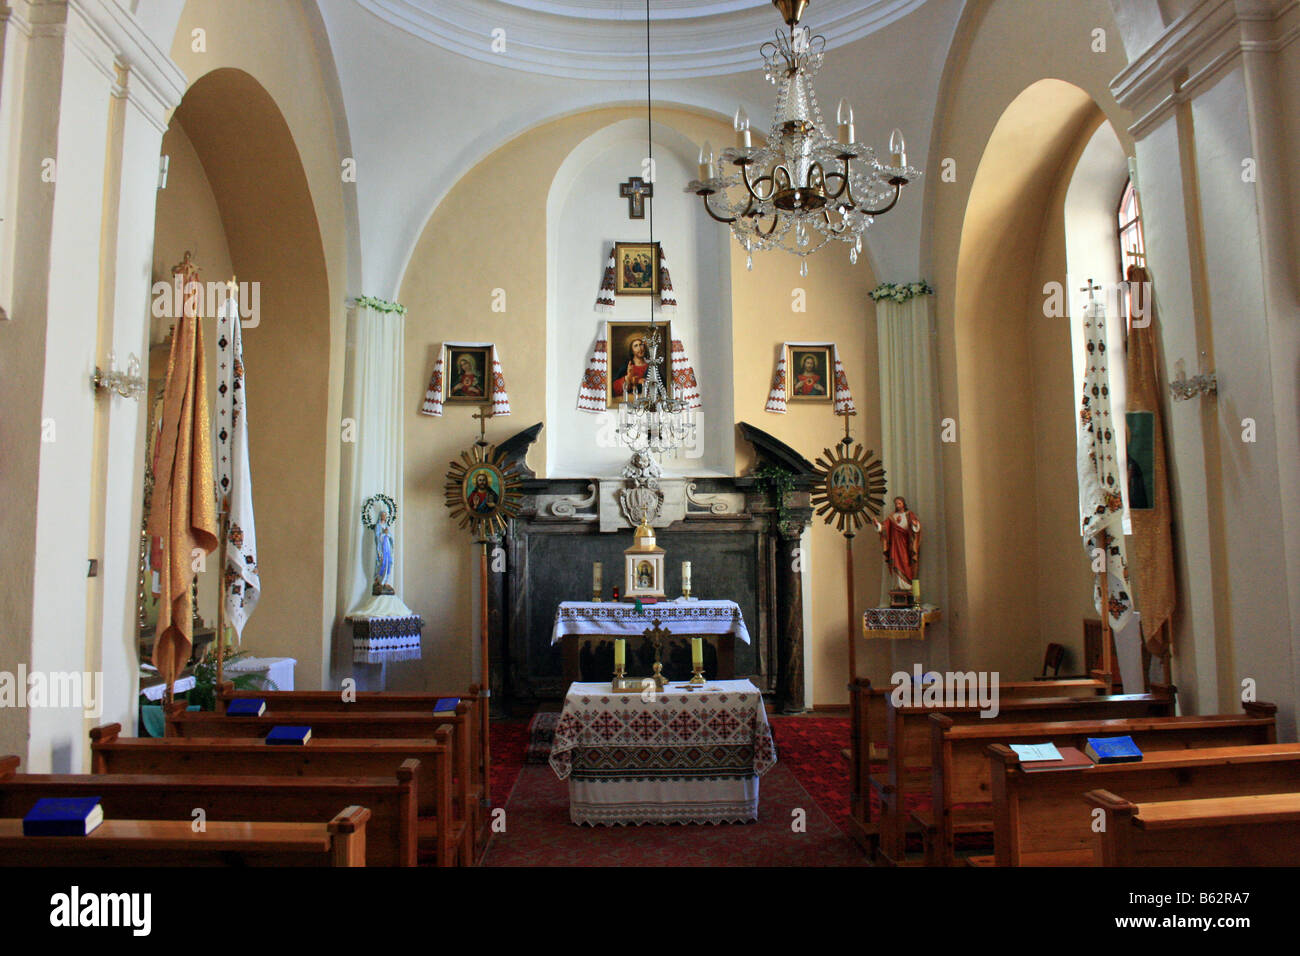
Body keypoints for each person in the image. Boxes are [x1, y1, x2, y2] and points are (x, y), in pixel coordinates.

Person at [874, 496, 921, 589]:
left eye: (899, 503)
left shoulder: (909, 514)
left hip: (905, 544)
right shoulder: (892, 517)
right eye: (896, 504)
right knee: (895, 562)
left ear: (903, 504)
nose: (898, 505)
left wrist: (915, 525)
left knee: (905, 561)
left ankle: (907, 584)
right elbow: (884, 528)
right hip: (895, 545)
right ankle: (898, 585)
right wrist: (877, 525)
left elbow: (916, 528)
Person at [373, 507, 394, 594]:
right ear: (380, 516)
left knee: (389, 562)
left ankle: (385, 581)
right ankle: (379, 580)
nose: (384, 517)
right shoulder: (378, 526)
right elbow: (377, 537)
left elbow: (390, 537)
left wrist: (387, 535)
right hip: (382, 547)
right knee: (382, 563)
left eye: (385, 516)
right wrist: (383, 534)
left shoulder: (386, 526)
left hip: (387, 547)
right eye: (383, 515)